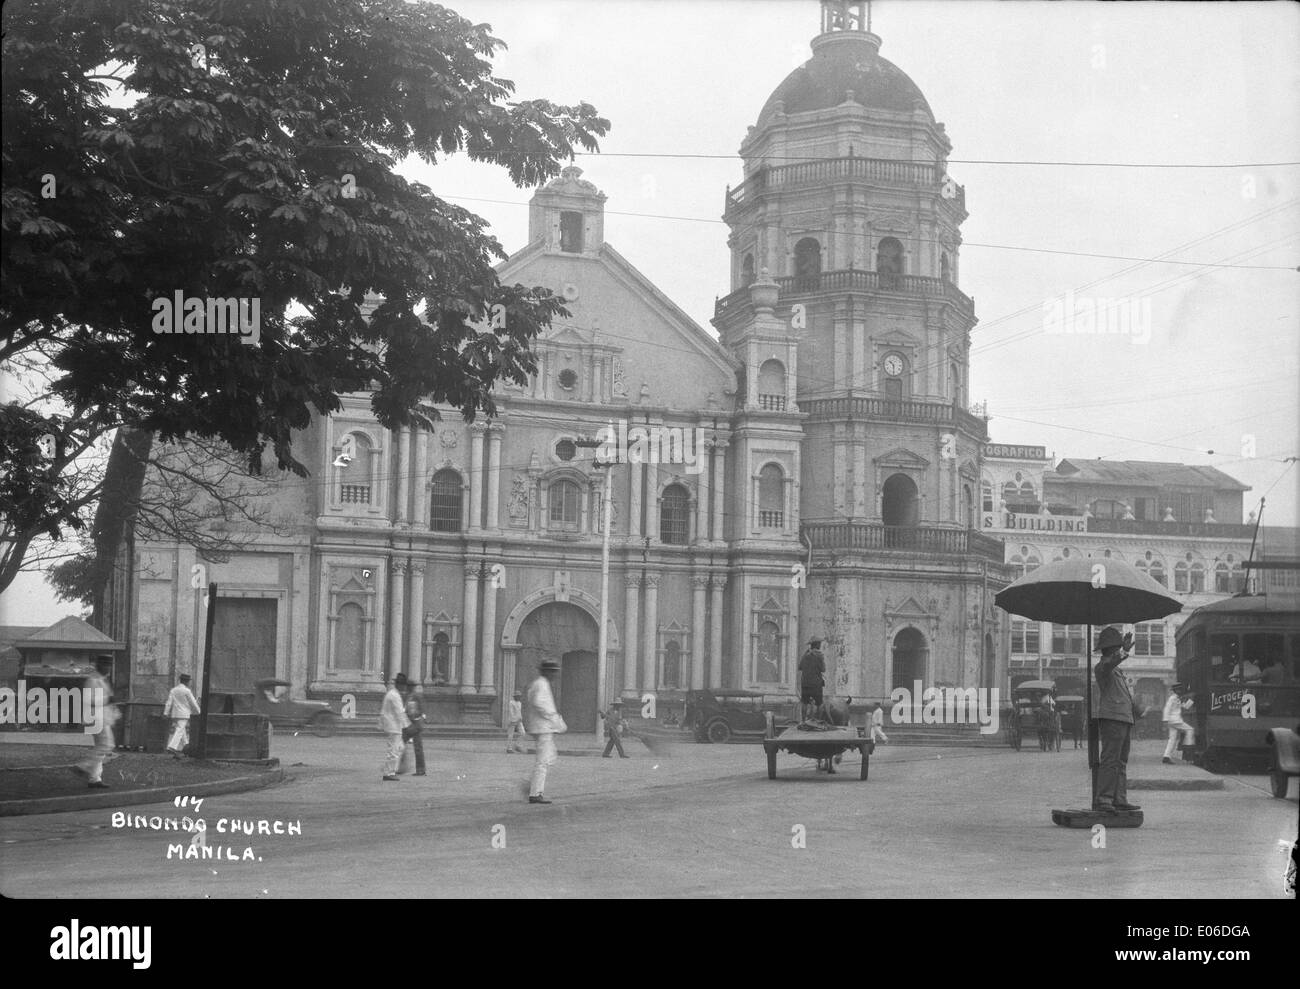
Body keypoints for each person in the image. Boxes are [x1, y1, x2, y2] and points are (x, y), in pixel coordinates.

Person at [1094, 626, 1144, 814]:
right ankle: (1105, 799)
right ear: (1111, 649)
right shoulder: (1102, 667)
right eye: (1117, 647)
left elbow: (1125, 696)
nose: (1118, 650)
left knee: (1121, 761)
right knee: (1110, 760)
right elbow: (1110, 664)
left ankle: (1119, 799)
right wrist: (1124, 652)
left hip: (1123, 719)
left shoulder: (1116, 671)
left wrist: (1136, 711)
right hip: (1112, 719)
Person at [524, 658, 566, 804]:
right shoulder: (542, 684)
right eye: (553, 672)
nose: (555, 675)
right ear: (546, 672)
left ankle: (533, 785)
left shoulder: (539, 684)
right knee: (542, 761)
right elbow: (540, 703)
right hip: (543, 727)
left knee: (550, 757)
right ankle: (535, 793)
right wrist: (555, 719)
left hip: (542, 727)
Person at [74, 656, 119, 789]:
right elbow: (88, 699)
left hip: (102, 717)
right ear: (98, 666)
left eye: (109, 665)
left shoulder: (101, 680)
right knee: (107, 745)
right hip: (96, 718)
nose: (108, 668)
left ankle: (94, 779)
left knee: (101, 747)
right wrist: (107, 700)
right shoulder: (93, 680)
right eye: (106, 665)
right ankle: (84, 766)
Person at [379, 673, 411, 782]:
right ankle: (389, 773)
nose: (404, 687)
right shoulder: (395, 696)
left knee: (399, 748)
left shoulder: (392, 693)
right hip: (394, 726)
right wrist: (407, 726)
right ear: (400, 685)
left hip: (393, 725)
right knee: (394, 750)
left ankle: (392, 769)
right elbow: (399, 712)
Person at [163, 672, 201, 759]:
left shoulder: (173, 690)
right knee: (180, 730)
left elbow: (169, 703)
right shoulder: (187, 691)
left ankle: (186, 748)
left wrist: (166, 713)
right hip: (184, 714)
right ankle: (172, 747)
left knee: (182, 730)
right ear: (187, 682)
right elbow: (193, 703)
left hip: (175, 714)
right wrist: (199, 711)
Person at [1161, 683, 1194, 764]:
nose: (1180, 690)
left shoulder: (1178, 698)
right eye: (1179, 689)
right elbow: (1167, 709)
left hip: (1172, 721)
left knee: (1172, 739)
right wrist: (1165, 720)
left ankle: (1166, 756)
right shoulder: (1172, 698)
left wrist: (1192, 700)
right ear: (1176, 690)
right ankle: (1188, 747)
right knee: (1190, 730)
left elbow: (1185, 706)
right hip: (1175, 720)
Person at [797, 638, 826, 721]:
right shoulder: (820, 655)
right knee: (819, 703)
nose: (820, 645)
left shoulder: (806, 655)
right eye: (819, 644)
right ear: (816, 645)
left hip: (805, 683)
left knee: (804, 703)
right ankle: (819, 721)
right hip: (816, 683)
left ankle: (803, 721)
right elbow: (823, 669)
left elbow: (800, 667)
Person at [402, 681, 427, 776]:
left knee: (417, 748)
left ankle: (420, 770)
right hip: (410, 724)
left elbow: (422, 711)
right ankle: (401, 767)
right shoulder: (409, 697)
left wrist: (420, 720)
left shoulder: (416, 697)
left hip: (415, 724)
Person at [506, 690, 526, 754]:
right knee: (510, 735)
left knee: (523, 733)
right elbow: (511, 712)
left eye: (519, 696)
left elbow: (519, 712)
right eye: (517, 696)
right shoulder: (511, 703)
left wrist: (520, 718)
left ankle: (517, 745)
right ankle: (509, 748)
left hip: (519, 720)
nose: (518, 697)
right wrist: (513, 720)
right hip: (512, 720)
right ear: (514, 697)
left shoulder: (520, 703)